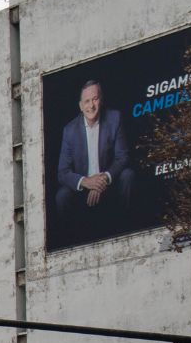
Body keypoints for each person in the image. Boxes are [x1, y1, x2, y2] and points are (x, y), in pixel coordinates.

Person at [54, 80, 136, 231]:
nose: (91, 106)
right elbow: (63, 172)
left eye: (95, 99)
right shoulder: (69, 130)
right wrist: (86, 182)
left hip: (109, 183)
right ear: (80, 106)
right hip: (83, 189)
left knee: (128, 175)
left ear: (101, 100)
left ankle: (127, 229)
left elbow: (123, 157)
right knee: (62, 196)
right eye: (86, 101)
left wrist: (102, 179)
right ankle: (70, 241)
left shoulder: (114, 118)